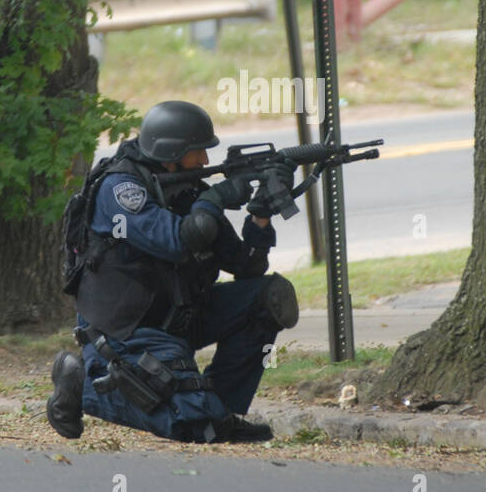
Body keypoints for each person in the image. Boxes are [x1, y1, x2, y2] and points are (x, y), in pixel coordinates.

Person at [48, 100, 299, 443]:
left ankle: (220, 410)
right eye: (198, 152)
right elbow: (176, 242)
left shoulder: (189, 189)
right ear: (172, 151)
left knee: (269, 297)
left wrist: (261, 214)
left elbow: (248, 266)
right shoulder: (121, 189)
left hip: (177, 319)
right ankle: (84, 387)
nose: (206, 161)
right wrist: (216, 200)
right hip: (128, 330)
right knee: (193, 426)